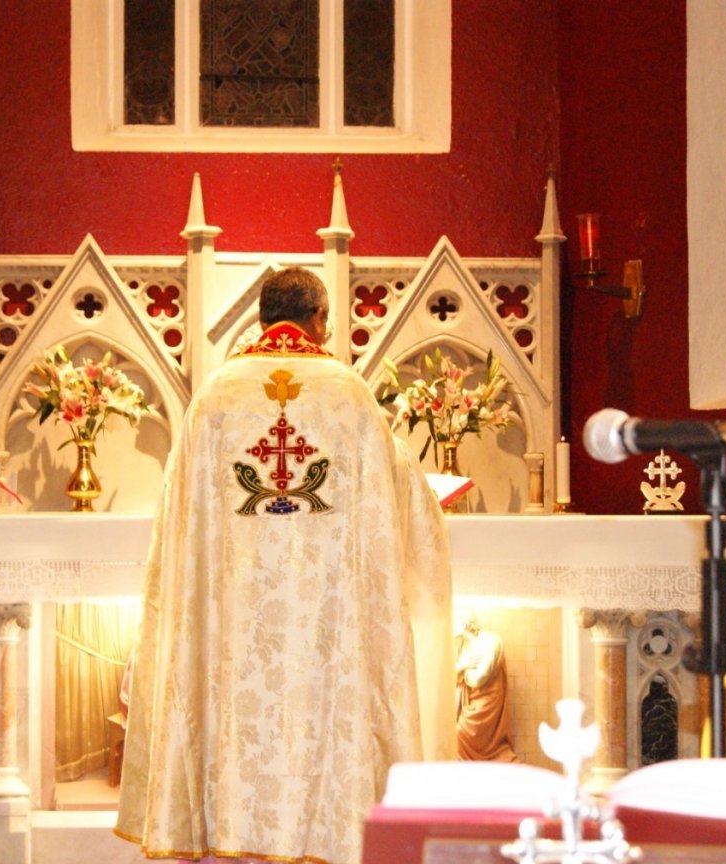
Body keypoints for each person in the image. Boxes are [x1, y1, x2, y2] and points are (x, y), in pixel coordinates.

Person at [115, 267, 454, 864]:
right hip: (329, 626)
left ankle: (228, 829)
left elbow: (179, 512)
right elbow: (397, 492)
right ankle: (331, 833)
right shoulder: (349, 394)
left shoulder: (215, 396)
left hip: (236, 620)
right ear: (320, 319)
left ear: (263, 320)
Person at [455, 614, 518, 762]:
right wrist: (462, 667)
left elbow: (480, 678)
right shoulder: (464, 645)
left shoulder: (490, 641)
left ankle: (491, 760)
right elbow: (455, 673)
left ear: (465, 624)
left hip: (488, 698)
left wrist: (465, 672)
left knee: (462, 732)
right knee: (458, 735)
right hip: (471, 699)